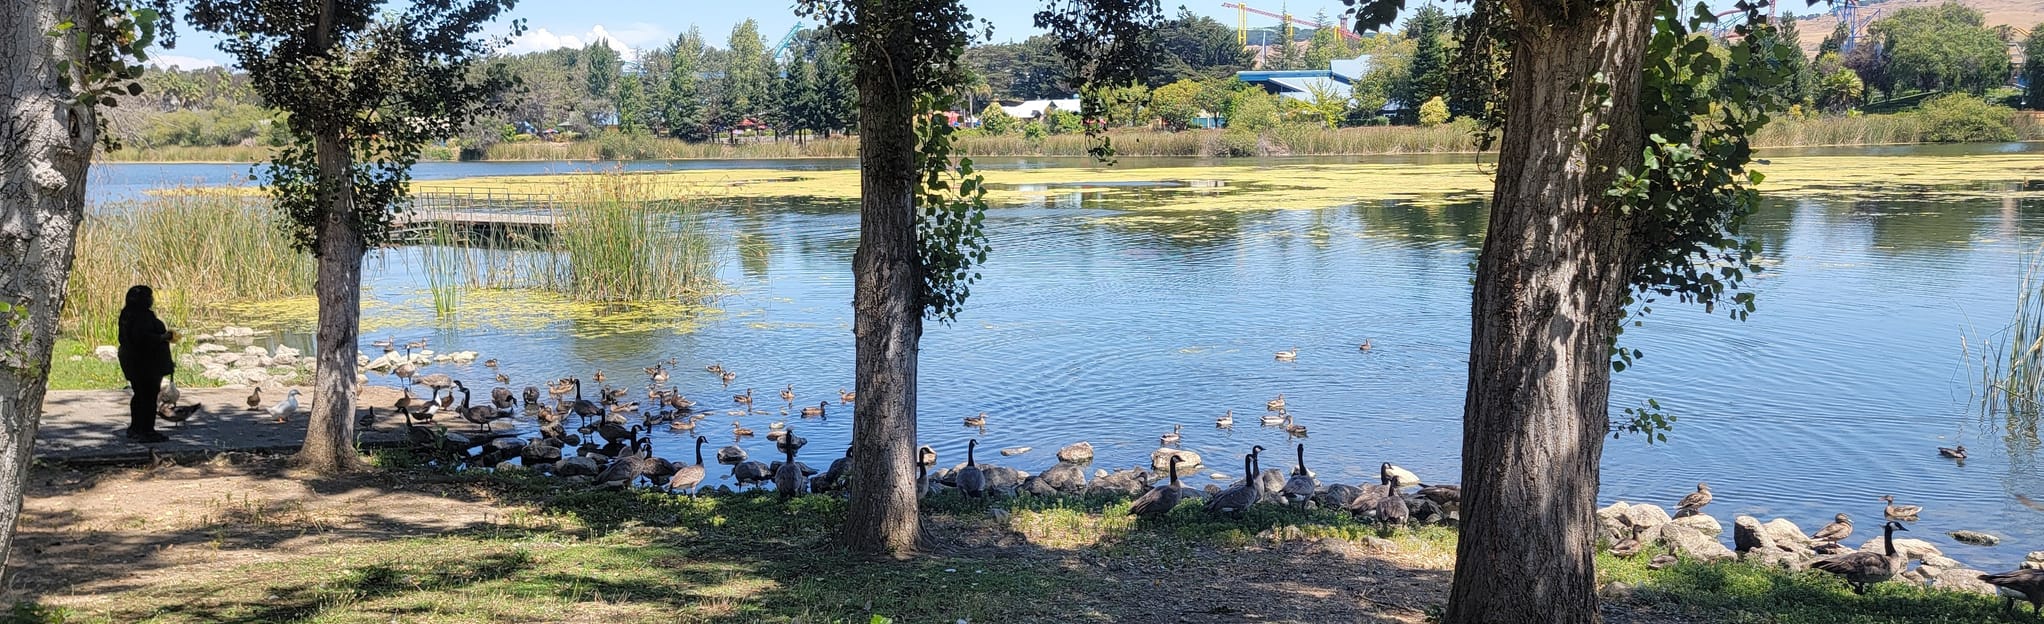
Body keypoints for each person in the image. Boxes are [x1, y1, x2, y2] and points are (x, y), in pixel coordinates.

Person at [117, 285, 174, 443]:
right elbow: (143, 339)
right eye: (149, 297)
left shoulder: (127, 314)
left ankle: (136, 427)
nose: (152, 300)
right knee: (148, 396)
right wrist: (163, 337)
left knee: (139, 394)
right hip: (145, 362)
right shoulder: (142, 316)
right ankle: (147, 430)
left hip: (132, 360)